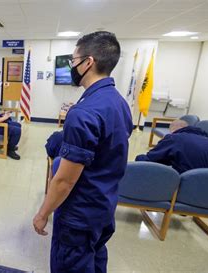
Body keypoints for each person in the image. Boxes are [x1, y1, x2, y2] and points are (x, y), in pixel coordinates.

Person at [33, 31, 133, 273]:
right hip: (104, 206)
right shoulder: (120, 103)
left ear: (88, 62)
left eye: (73, 60)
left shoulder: (84, 112)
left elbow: (65, 181)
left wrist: (43, 212)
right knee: (96, 260)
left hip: (79, 215)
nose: (72, 66)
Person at [136, 120, 208, 173]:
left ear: (173, 130)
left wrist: (139, 158)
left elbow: (151, 159)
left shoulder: (174, 138)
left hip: (194, 185)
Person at [0, 87, 21, 160]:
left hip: (0, 122)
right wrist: (4, 117)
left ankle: (10, 145)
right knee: (17, 130)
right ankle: (10, 150)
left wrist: (4, 113)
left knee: (18, 125)